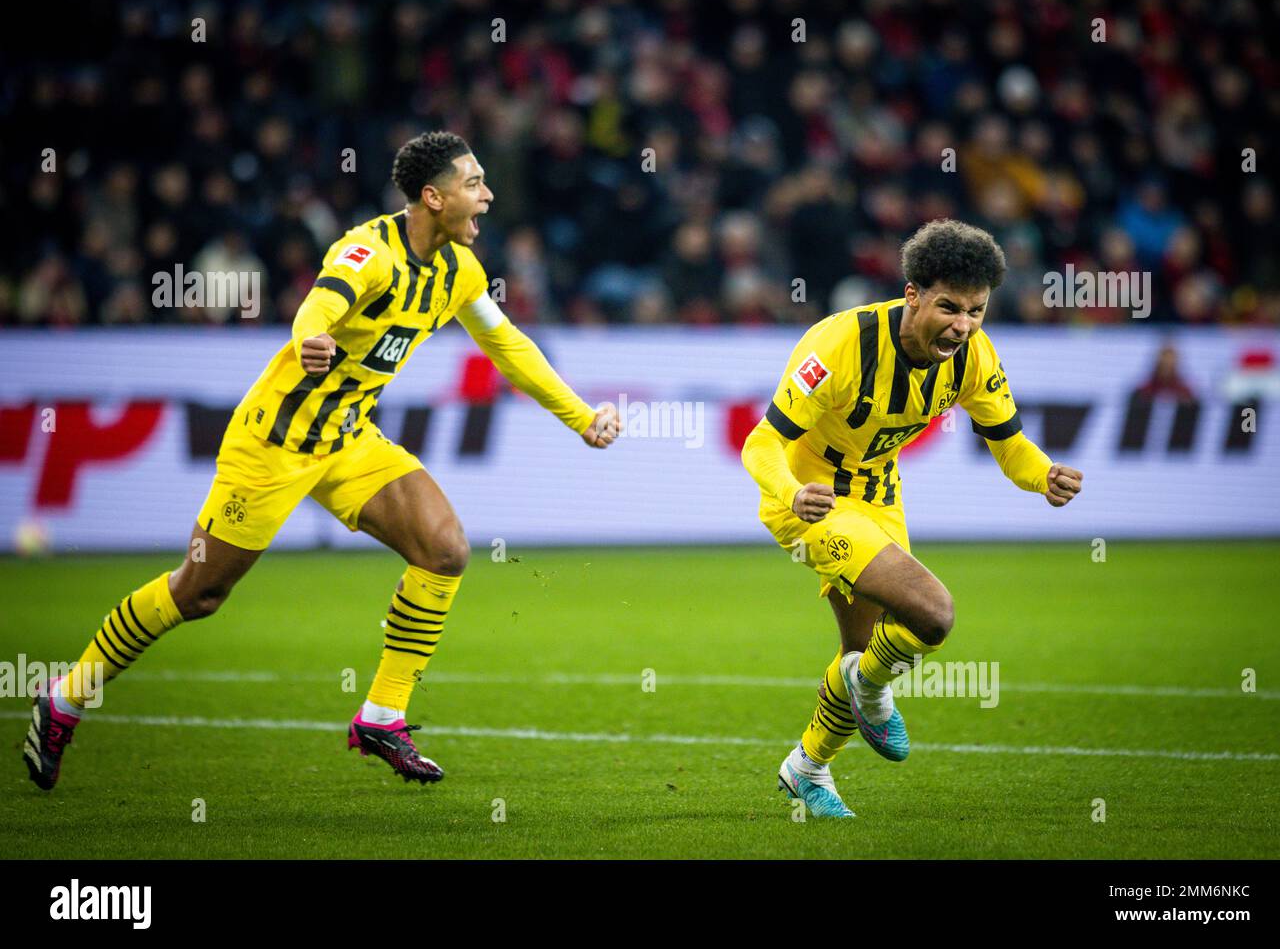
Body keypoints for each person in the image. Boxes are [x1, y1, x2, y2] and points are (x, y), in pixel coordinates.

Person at [25, 131, 620, 790]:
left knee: (444, 548)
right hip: (273, 442)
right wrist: (310, 337)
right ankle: (65, 698)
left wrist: (582, 416)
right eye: (474, 183)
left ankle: (381, 716)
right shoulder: (369, 251)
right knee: (199, 594)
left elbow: (508, 346)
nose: (488, 194)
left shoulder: (462, 270)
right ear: (433, 196)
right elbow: (322, 301)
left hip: (346, 438)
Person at [741, 219, 1082, 817]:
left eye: (977, 310)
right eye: (950, 307)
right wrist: (792, 492)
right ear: (913, 295)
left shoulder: (973, 355)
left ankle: (807, 768)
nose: (963, 324)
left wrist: (1043, 475)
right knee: (931, 613)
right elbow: (761, 442)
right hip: (811, 500)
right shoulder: (838, 345)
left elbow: (1010, 443)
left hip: (879, 497)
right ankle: (871, 688)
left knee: (860, 649)